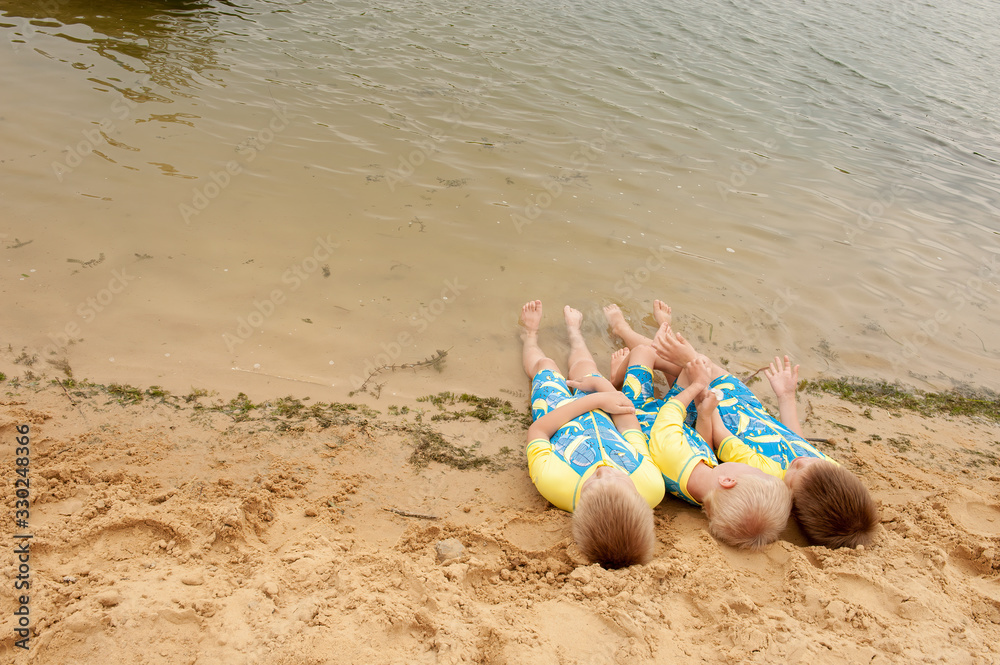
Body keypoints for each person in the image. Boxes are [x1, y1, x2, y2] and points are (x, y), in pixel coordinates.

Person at [652, 323, 879, 549]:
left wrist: (704, 390)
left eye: (797, 471)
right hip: (750, 407)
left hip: (721, 412)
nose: (801, 460)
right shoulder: (829, 471)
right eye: (813, 462)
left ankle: (650, 343)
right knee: (694, 364)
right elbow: (798, 441)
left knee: (690, 364)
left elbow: (721, 438)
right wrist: (786, 396)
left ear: (792, 499)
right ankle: (662, 339)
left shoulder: (766, 475)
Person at [603, 343, 791, 550]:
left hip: (643, 413)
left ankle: (616, 379)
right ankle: (670, 357)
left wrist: (698, 385)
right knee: (696, 365)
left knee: (643, 351)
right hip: (677, 426)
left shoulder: (674, 456)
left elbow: (669, 412)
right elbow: (704, 446)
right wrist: (705, 414)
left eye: (755, 471)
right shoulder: (706, 489)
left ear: (728, 481)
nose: (750, 466)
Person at [519, 300, 664, 568]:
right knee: (586, 366)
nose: (604, 470)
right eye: (617, 477)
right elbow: (629, 426)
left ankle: (530, 335)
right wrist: (601, 388)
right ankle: (574, 332)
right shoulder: (651, 486)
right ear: (641, 501)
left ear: (579, 507)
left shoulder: (555, 483)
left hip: (557, 413)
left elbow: (538, 430)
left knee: (544, 365)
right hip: (605, 410)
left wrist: (595, 400)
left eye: (594, 480)